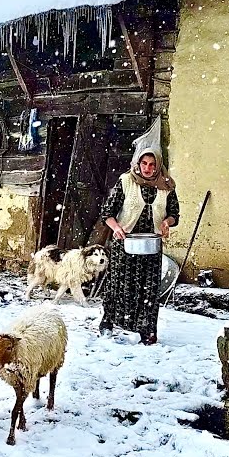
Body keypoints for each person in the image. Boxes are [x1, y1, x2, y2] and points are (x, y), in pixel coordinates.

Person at [99, 148, 180, 345]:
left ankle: (147, 330)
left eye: (152, 165)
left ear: (158, 166)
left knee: (149, 288)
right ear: (138, 164)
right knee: (119, 285)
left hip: (151, 246)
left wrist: (166, 222)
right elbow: (107, 213)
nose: (147, 168)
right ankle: (108, 322)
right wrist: (116, 227)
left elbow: (174, 214)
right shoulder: (126, 181)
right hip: (124, 243)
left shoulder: (166, 185)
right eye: (144, 163)